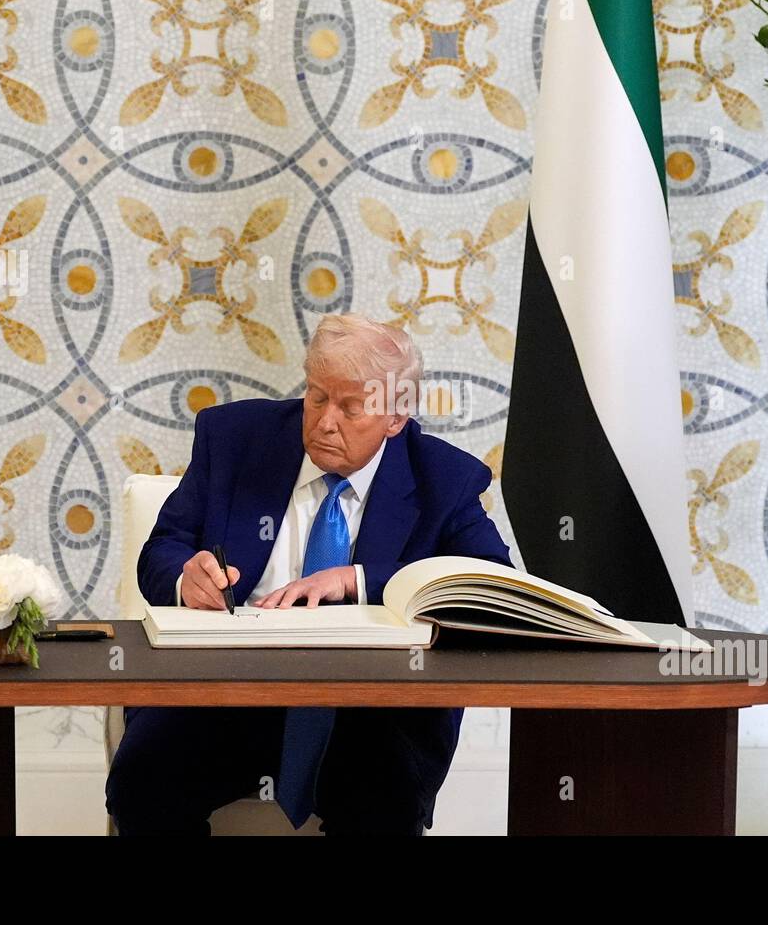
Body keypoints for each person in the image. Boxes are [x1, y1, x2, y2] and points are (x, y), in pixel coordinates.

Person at [105, 313, 513, 835]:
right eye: (317, 396)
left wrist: (358, 581)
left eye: (350, 407)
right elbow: (164, 548)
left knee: (383, 801)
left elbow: (488, 582)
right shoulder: (233, 439)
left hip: (370, 709)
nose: (324, 421)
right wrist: (189, 580)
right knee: (143, 781)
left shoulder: (444, 478)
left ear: (396, 417)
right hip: (225, 691)